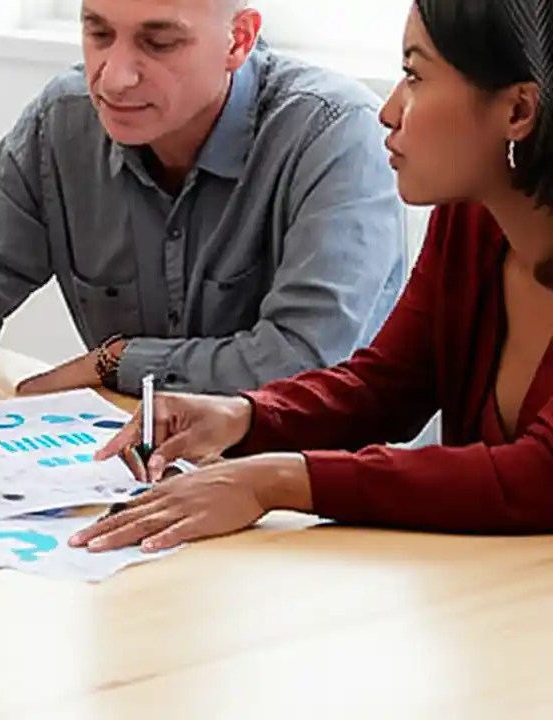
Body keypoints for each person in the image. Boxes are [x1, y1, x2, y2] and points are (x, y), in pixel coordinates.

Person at [71, 0, 553, 554]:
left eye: (414, 76)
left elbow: (538, 475)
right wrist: (243, 418)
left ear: (518, 110)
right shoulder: (474, 218)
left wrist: (276, 481)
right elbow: (387, 387)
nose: (389, 110)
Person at [0, 0, 406, 426]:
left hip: (323, 489)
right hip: (138, 474)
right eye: (98, 33)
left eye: (158, 43)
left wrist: (115, 362)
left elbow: (301, 362)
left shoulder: (336, 135)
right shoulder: (61, 122)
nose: (113, 79)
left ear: (239, 40)